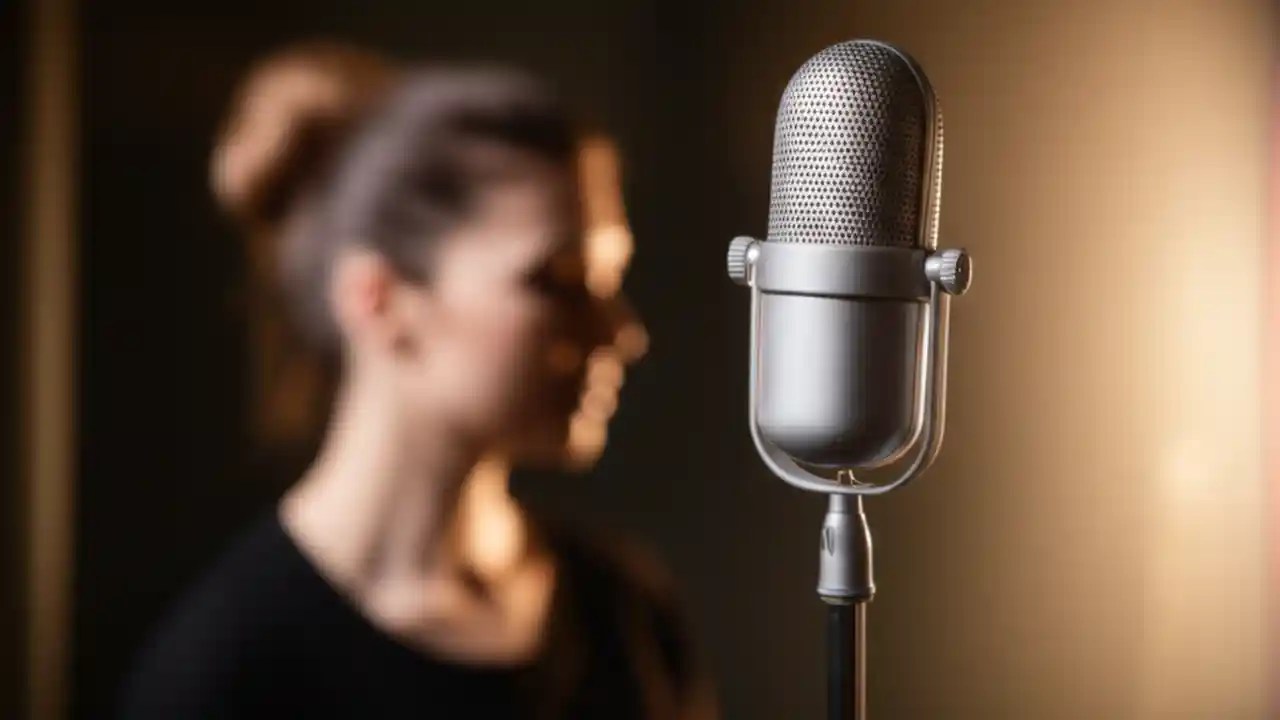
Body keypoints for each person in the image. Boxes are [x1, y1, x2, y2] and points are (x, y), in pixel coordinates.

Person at [120, 43, 714, 720]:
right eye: (561, 282)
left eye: (610, 282)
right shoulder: (227, 668)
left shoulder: (627, 612)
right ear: (379, 299)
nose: (621, 333)